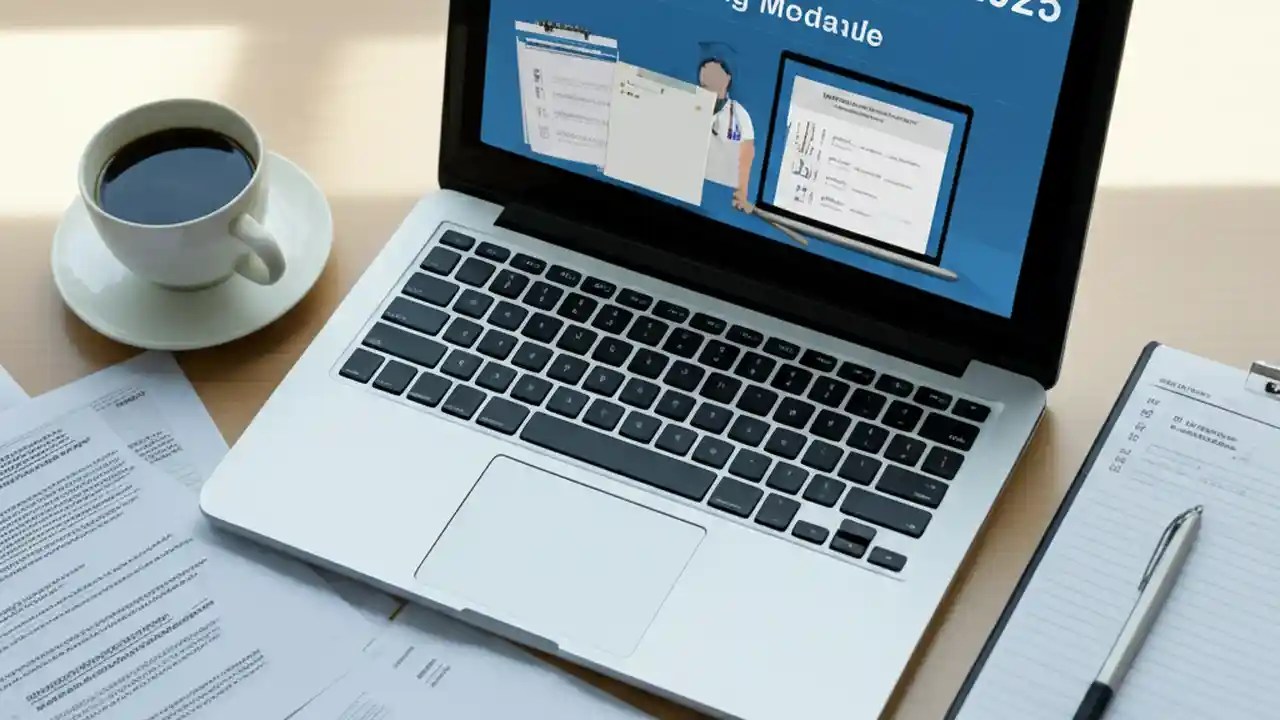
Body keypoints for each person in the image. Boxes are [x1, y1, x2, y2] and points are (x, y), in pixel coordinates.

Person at [698, 56, 755, 212]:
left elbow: (746, 155)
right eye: (704, 70)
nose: (707, 76)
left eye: (714, 71)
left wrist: (742, 194)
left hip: (719, 199)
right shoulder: (692, 103)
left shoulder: (739, 115)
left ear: (727, 78)